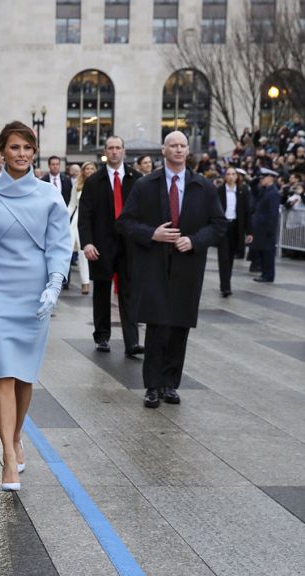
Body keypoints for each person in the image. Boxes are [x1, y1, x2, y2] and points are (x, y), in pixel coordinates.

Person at [0, 121, 70, 491]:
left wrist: (55, 284)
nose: (21, 154)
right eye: (14, 147)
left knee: (25, 376)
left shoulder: (49, 196)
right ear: (1, 152)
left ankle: (16, 436)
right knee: (4, 373)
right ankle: (8, 457)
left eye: (27, 147)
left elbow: (60, 244)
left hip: (35, 293)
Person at [117, 131, 226, 409]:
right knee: (157, 326)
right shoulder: (146, 185)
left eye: (182, 146)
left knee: (179, 326)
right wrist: (152, 233)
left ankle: (170, 384)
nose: (178, 150)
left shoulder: (203, 186)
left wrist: (194, 240)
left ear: (188, 151)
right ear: (163, 150)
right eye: (173, 145)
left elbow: (218, 225)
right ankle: (152, 386)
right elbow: (125, 222)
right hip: (154, 265)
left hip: (187, 267)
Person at [78, 136, 143, 357]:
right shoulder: (94, 181)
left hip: (129, 245)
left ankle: (132, 341)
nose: (115, 152)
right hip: (102, 245)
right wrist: (86, 242)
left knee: (128, 293)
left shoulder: (137, 179)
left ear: (124, 151)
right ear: (105, 152)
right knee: (102, 292)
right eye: (111, 148)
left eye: (118, 148)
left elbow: (145, 213)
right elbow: (84, 215)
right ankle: (102, 337)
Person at [216, 167, 253, 296]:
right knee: (223, 257)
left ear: (237, 177)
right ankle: (225, 287)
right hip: (223, 227)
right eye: (228, 174)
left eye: (233, 174)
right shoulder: (219, 191)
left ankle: (226, 282)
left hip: (236, 227)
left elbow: (247, 212)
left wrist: (250, 232)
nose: (231, 176)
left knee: (230, 257)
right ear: (225, 177)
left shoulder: (243, 191)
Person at [69, 161, 97, 295]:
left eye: (92, 168)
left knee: (87, 252)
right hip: (77, 220)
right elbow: (72, 205)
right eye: (87, 169)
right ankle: (83, 282)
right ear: (83, 171)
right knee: (76, 251)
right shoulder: (77, 185)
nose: (90, 171)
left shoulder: (100, 184)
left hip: (95, 220)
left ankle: (88, 282)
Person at [250, 167, 281, 283]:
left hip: (267, 228)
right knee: (262, 252)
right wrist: (256, 179)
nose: (261, 179)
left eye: (263, 177)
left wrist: (270, 230)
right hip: (260, 228)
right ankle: (264, 273)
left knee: (268, 253)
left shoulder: (273, 193)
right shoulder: (264, 190)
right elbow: (253, 189)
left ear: (270, 178)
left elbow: (273, 213)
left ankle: (268, 275)